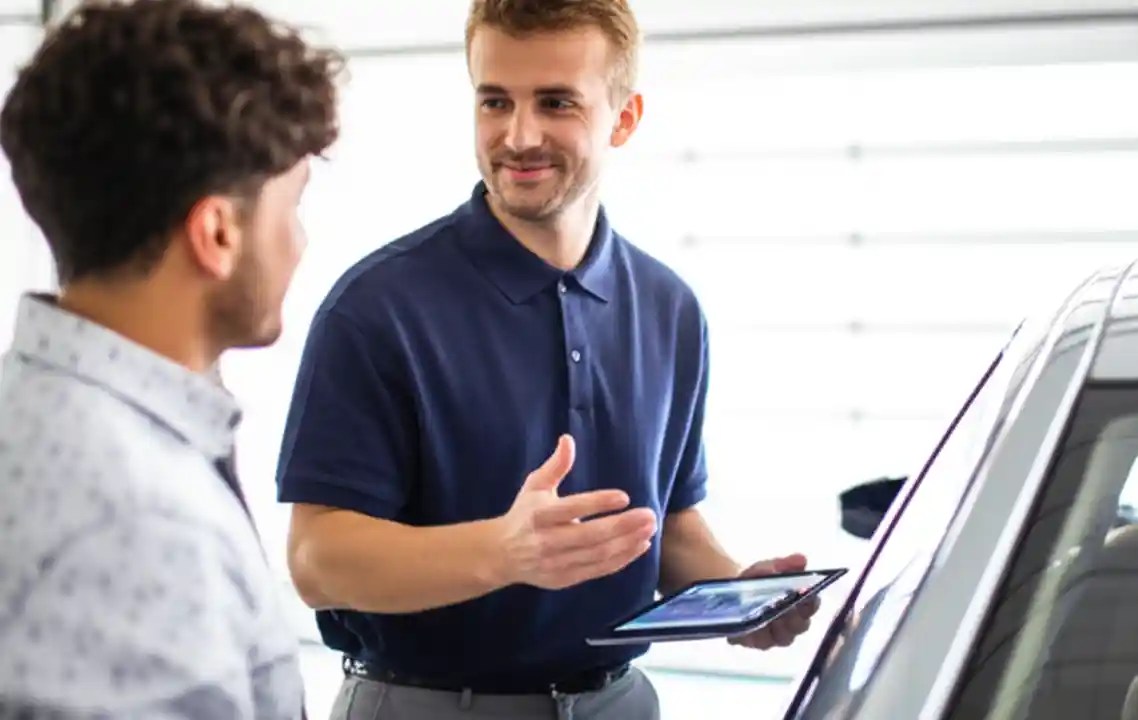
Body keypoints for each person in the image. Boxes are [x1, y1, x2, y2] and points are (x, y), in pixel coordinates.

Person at [275, 0, 817, 717]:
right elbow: (318, 562)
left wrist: (740, 591)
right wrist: (504, 551)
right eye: (495, 101)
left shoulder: (671, 308)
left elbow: (669, 527)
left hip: (619, 704)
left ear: (624, 119)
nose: (518, 135)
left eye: (555, 103)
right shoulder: (377, 310)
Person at [0, 0, 343, 717]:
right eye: (293, 204)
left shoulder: (32, 414)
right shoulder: (142, 526)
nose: (302, 243)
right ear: (216, 232)